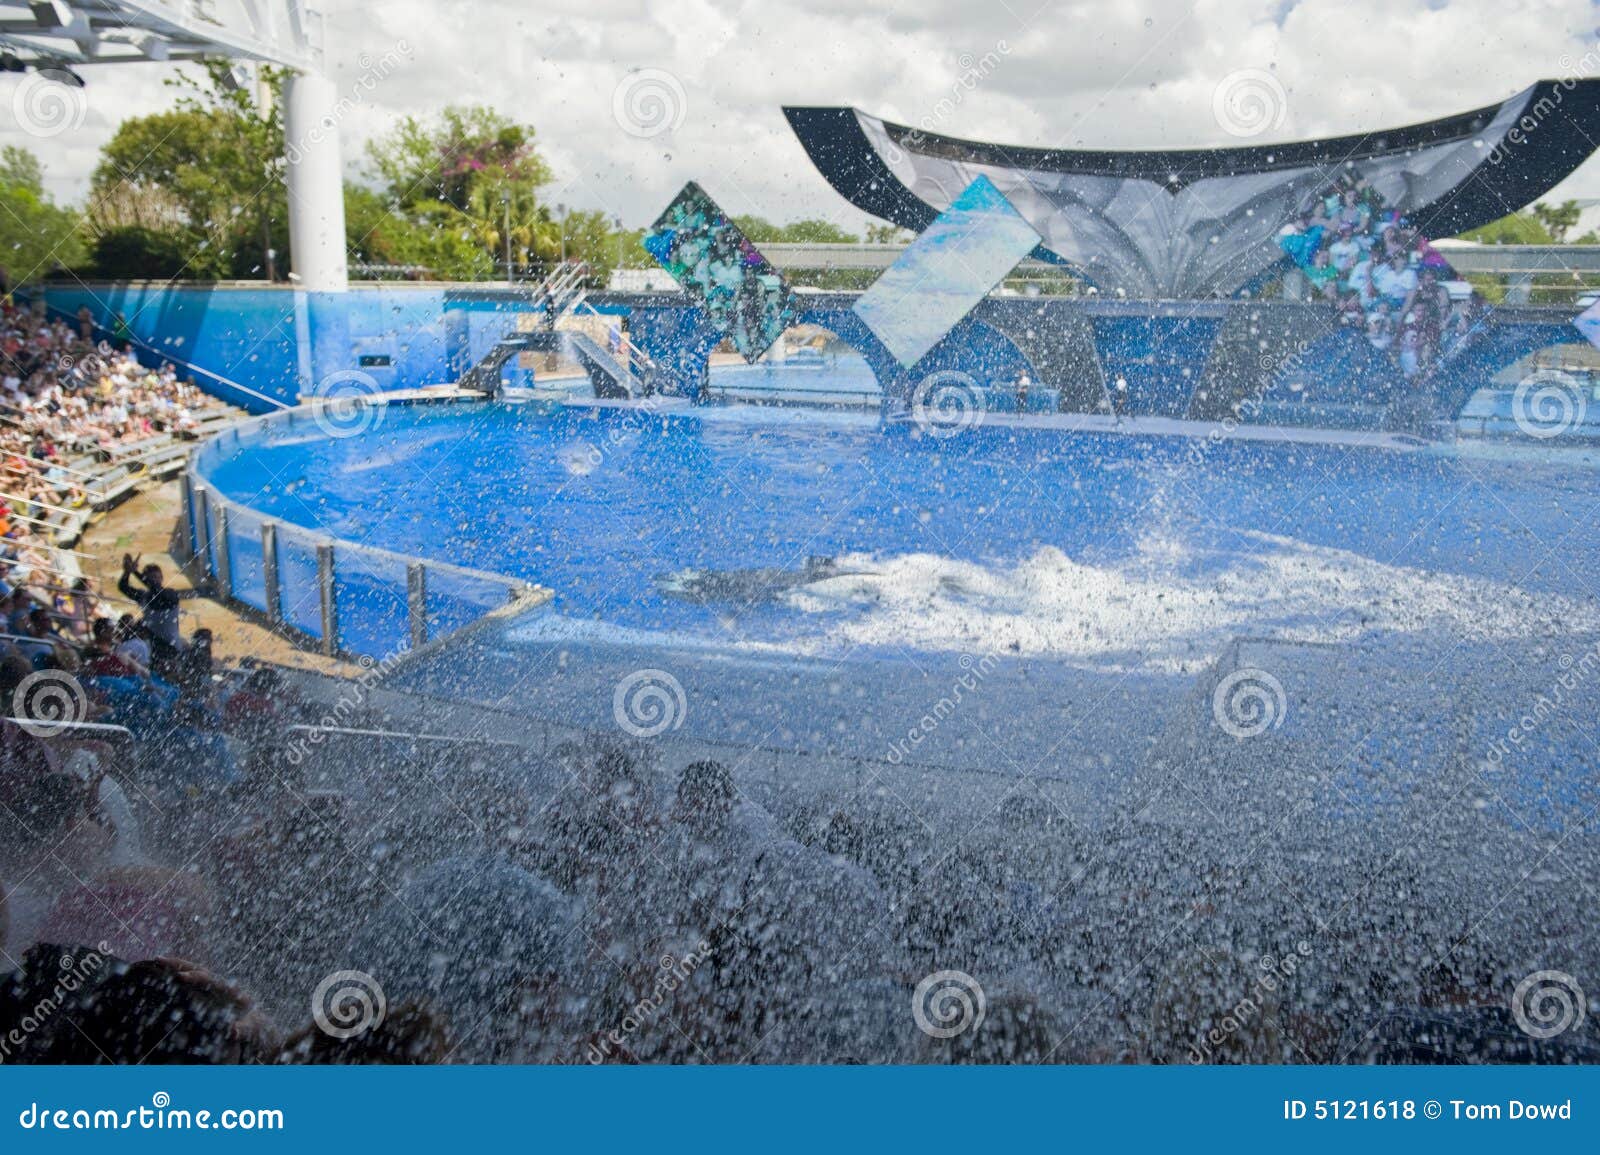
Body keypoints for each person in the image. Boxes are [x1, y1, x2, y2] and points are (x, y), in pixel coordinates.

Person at [117, 553, 191, 673]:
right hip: (153, 645)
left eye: (156, 577)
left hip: (171, 647)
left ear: (162, 578)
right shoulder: (144, 596)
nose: (154, 580)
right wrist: (127, 572)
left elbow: (156, 588)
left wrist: (135, 572)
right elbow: (123, 587)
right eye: (151, 578)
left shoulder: (171, 595)